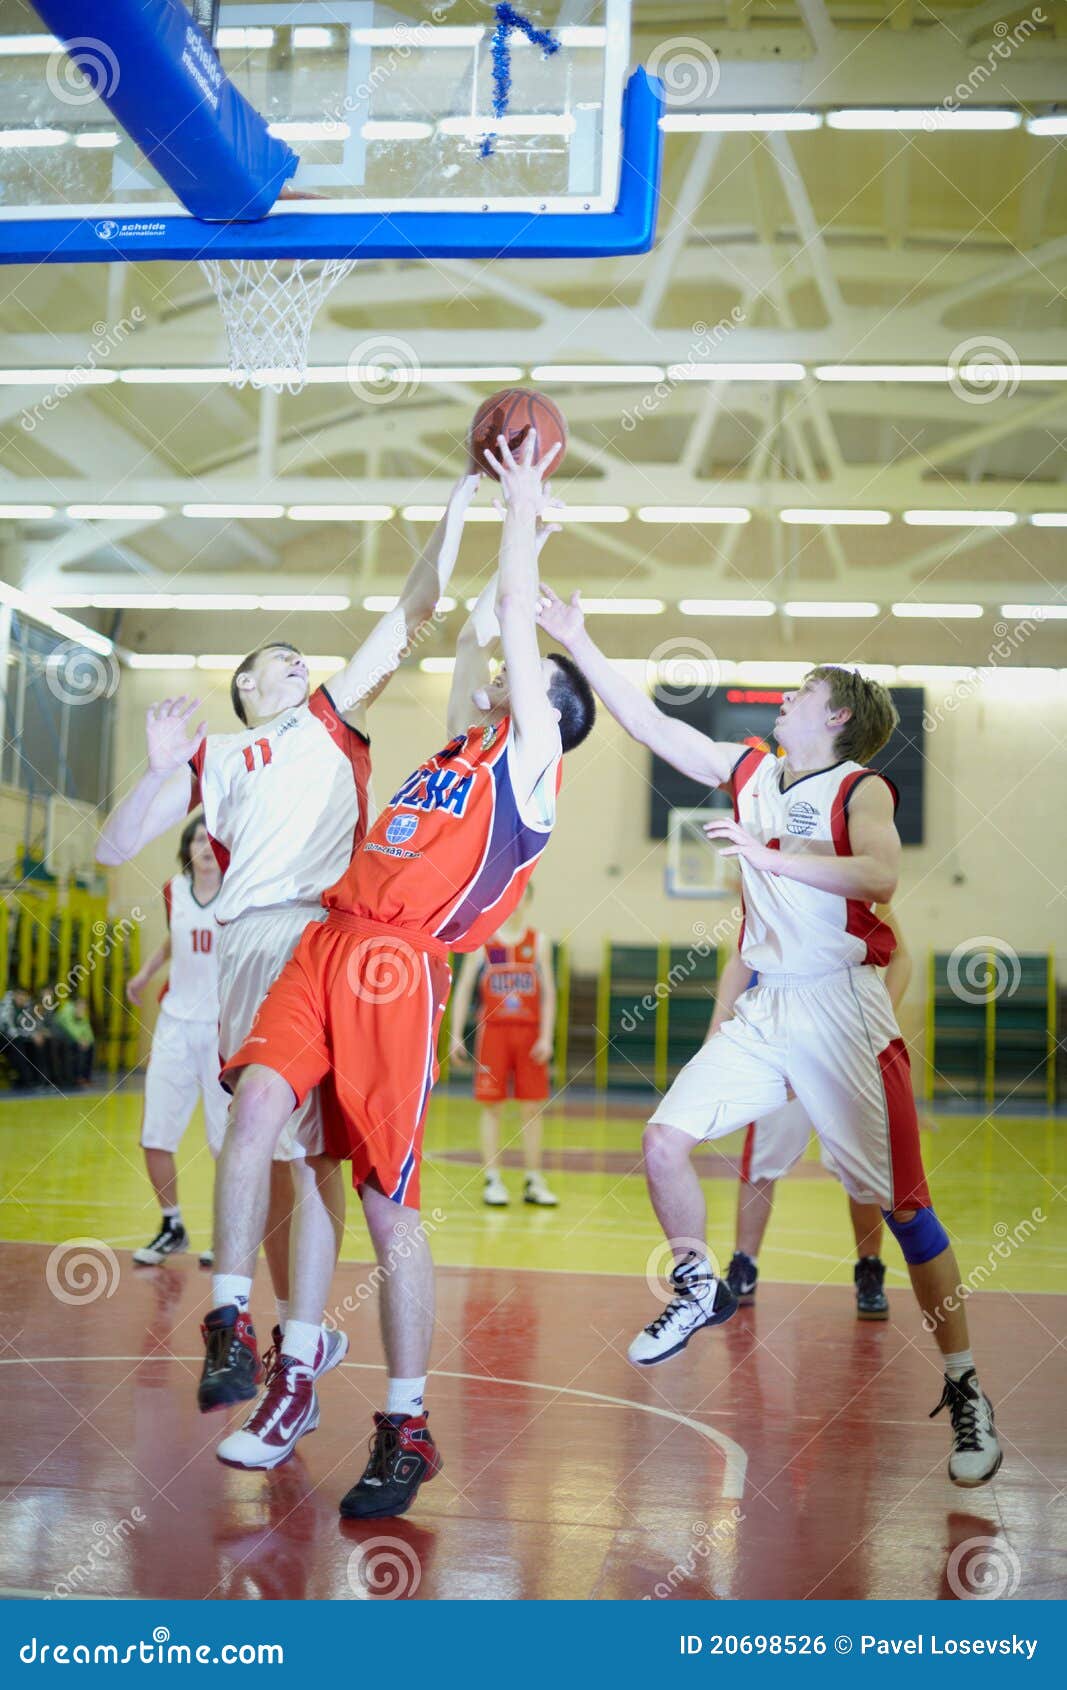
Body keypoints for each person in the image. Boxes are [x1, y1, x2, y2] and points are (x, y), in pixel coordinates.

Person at [536, 596, 1002, 1489]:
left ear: (834, 716)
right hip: (767, 1010)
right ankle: (696, 1285)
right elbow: (643, 722)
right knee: (664, 1140)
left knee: (905, 1211)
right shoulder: (749, 767)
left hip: (845, 1012)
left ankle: (965, 1384)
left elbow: (880, 874)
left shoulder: (858, 787)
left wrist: (764, 853)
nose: (781, 701)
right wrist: (578, 640)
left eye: (799, 692)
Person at [211, 432, 594, 1516]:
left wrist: (526, 509)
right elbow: (479, 625)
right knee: (256, 1109)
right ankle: (235, 1321)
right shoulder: (453, 749)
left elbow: (511, 627)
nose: (508, 678)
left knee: (388, 1210)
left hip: (394, 970)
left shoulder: (529, 767)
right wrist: (485, 510)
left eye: (533, 681)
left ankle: (408, 1424)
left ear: (551, 715)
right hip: (325, 940)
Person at [95, 472, 481, 1407]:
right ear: (244, 687)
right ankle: (250, 1327)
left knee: (313, 1159)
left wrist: (461, 507)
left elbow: (416, 602)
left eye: (302, 657)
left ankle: (283, 1341)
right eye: (281, 660)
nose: (301, 664)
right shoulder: (217, 758)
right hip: (244, 951)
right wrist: (155, 774)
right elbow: (113, 843)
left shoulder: (330, 717)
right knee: (265, 1156)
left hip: (327, 938)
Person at [717, 908, 912, 1320]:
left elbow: (902, 958)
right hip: (783, 1039)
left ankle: (869, 1268)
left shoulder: (859, 883)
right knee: (762, 1159)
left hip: (846, 1046)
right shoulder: (771, 886)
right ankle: (744, 1264)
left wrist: (877, 1022)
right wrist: (719, 1029)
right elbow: (740, 958)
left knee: (861, 1169)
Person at [126, 813, 227, 1267]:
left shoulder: (240, 890)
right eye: (196, 839)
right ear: (186, 848)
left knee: (225, 1143)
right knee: (155, 1134)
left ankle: (228, 1234)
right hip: (175, 1025)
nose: (205, 845)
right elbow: (173, 940)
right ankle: (172, 1225)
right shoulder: (174, 891)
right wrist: (145, 974)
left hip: (223, 1032)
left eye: (212, 839)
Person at [448, 885, 559, 1208]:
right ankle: (493, 1178)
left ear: (528, 900)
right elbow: (464, 987)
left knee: (531, 1108)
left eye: (520, 895)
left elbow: (549, 993)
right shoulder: (482, 941)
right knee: (492, 1107)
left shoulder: (539, 942)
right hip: (492, 1034)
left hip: (529, 1035)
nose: (514, 901)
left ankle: (534, 1178)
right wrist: (456, 1034)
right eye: (507, 894)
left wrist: (547, 1036)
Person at [0, 986, 53, 1089]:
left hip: (18, 1037)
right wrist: (32, 1035)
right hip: (3, 1037)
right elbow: (10, 1030)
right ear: (14, 995)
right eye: (20, 996)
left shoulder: (27, 1006)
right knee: (17, 1043)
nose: (22, 999)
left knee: (37, 1044)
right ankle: (27, 1080)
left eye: (24, 996)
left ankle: (42, 1080)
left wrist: (36, 1034)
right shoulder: (6, 1006)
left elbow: (31, 1025)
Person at [51, 995, 95, 1088]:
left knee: (91, 1046)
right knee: (78, 1047)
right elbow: (70, 1028)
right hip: (60, 1035)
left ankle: (86, 1077)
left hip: (71, 1036)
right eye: (80, 1006)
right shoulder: (67, 1010)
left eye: (84, 1007)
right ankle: (78, 1077)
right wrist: (80, 1040)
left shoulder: (82, 1013)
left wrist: (88, 1041)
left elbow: (88, 1031)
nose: (82, 1008)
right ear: (75, 1005)